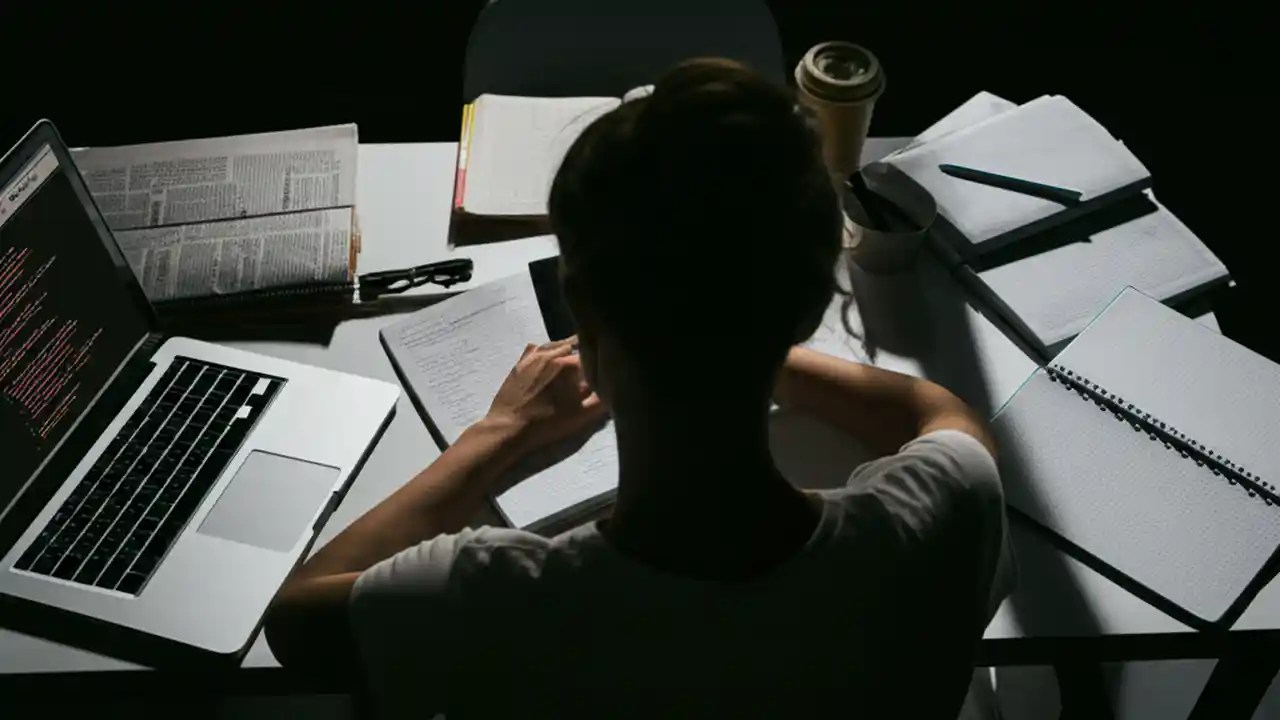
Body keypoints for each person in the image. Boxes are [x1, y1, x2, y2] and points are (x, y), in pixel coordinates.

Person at [264, 58, 1008, 718]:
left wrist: (500, 433)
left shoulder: (499, 606)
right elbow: (938, 411)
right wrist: (744, 329)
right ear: (811, 306)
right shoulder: (941, 523)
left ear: (586, 328)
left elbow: (296, 616)